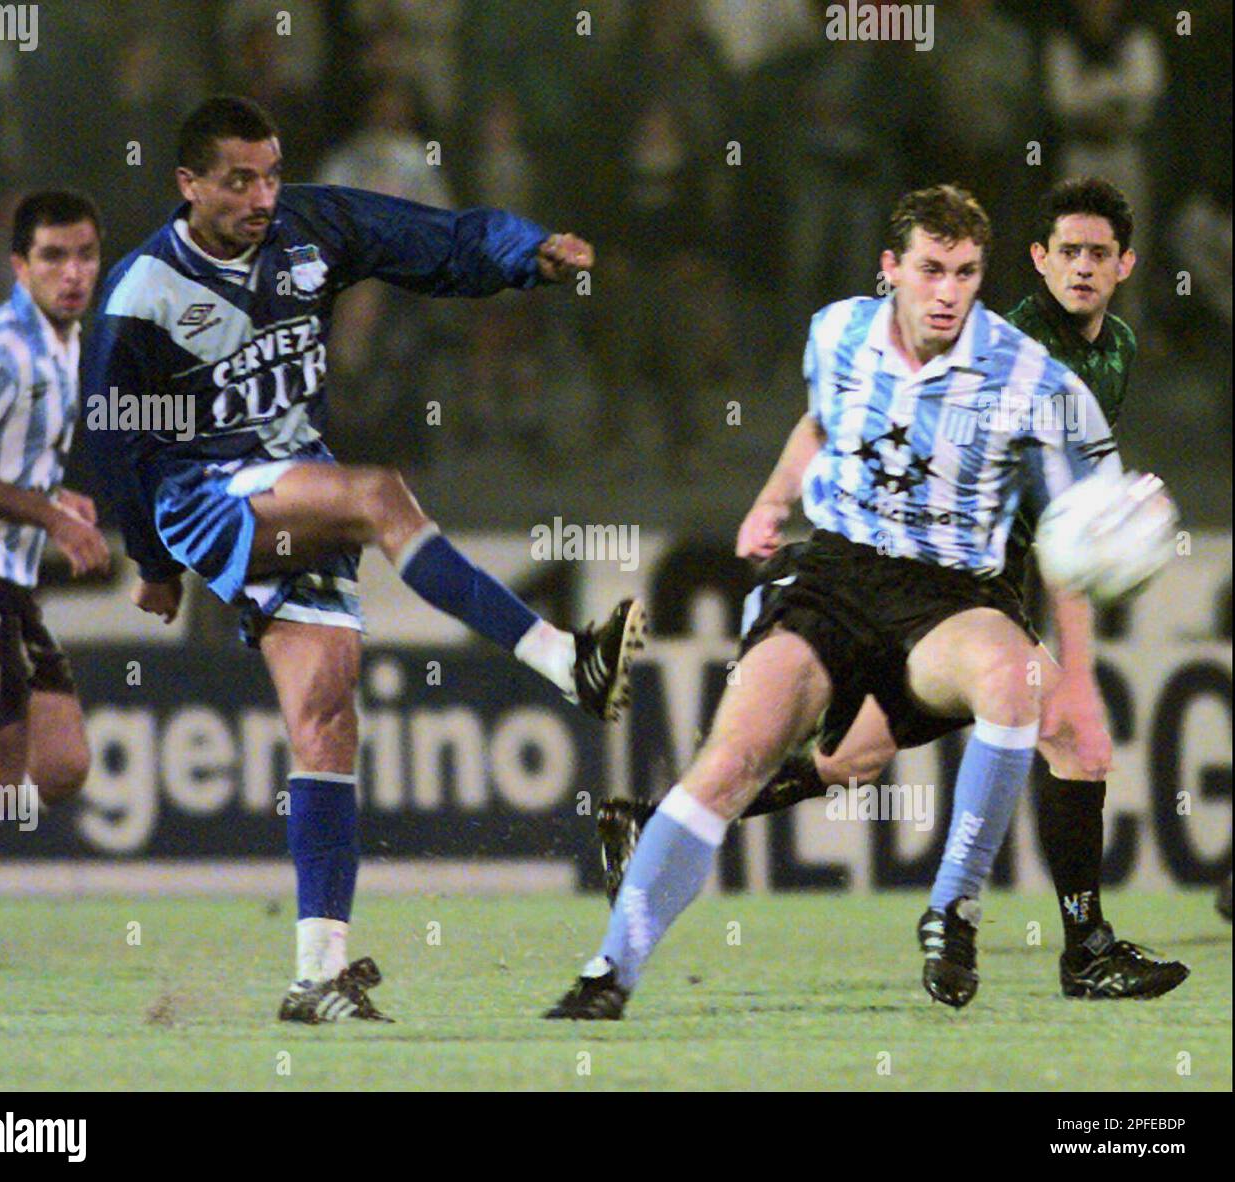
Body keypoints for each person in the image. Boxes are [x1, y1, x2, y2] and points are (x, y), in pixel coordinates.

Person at [84, 96, 644, 1024]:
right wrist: (150, 559)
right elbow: (112, 438)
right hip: (205, 494)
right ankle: (561, 659)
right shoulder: (142, 289)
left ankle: (317, 975)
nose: (262, 195)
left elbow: (427, 240)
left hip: (295, 484)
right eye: (238, 180)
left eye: (269, 173)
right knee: (380, 497)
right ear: (188, 184)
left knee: (327, 714)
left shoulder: (310, 223)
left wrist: (523, 252)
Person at [597, 178, 1190, 1002]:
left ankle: (653, 821)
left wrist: (1111, 508)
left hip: (975, 597)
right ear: (1037, 260)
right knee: (1029, 739)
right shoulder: (1009, 349)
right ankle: (1069, 948)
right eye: (1067, 253)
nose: (1082, 269)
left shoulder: (1114, 346)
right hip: (952, 590)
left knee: (867, 757)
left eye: (1098, 254)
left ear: (1125, 264)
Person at [0, 192, 109, 971]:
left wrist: (54, 499)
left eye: (84, 256)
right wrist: (52, 517)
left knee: (62, 764)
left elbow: (5, 458)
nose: (72, 274)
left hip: (5, 579)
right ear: (18, 266)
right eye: (52, 258)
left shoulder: (65, 342)